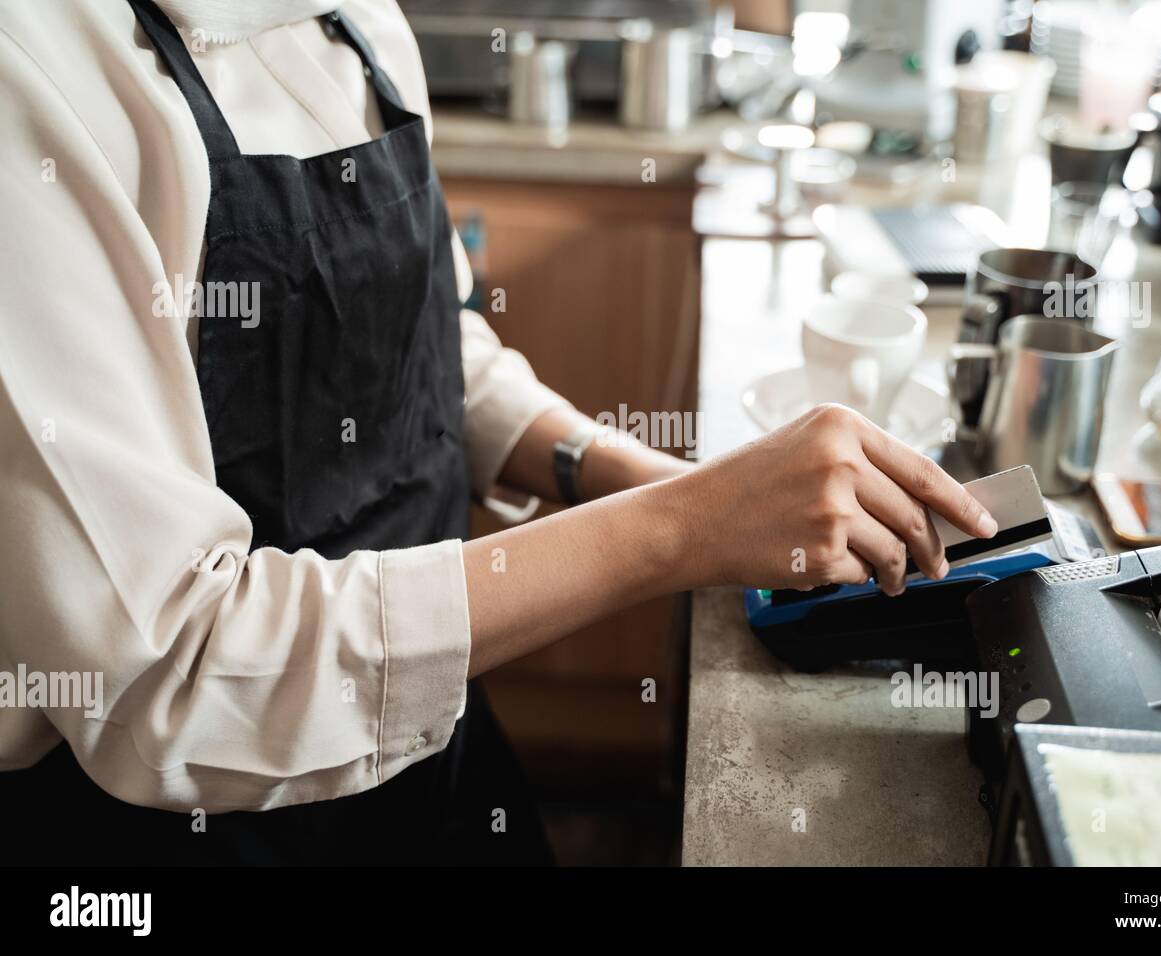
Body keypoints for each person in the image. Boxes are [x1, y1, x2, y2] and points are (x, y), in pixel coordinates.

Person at [0, 0, 998, 865]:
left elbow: (425, 343)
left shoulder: (356, 19)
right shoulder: (33, 69)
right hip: (175, 820)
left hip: (424, 737)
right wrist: (679, 527)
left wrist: (626, 472)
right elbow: (174, 673)